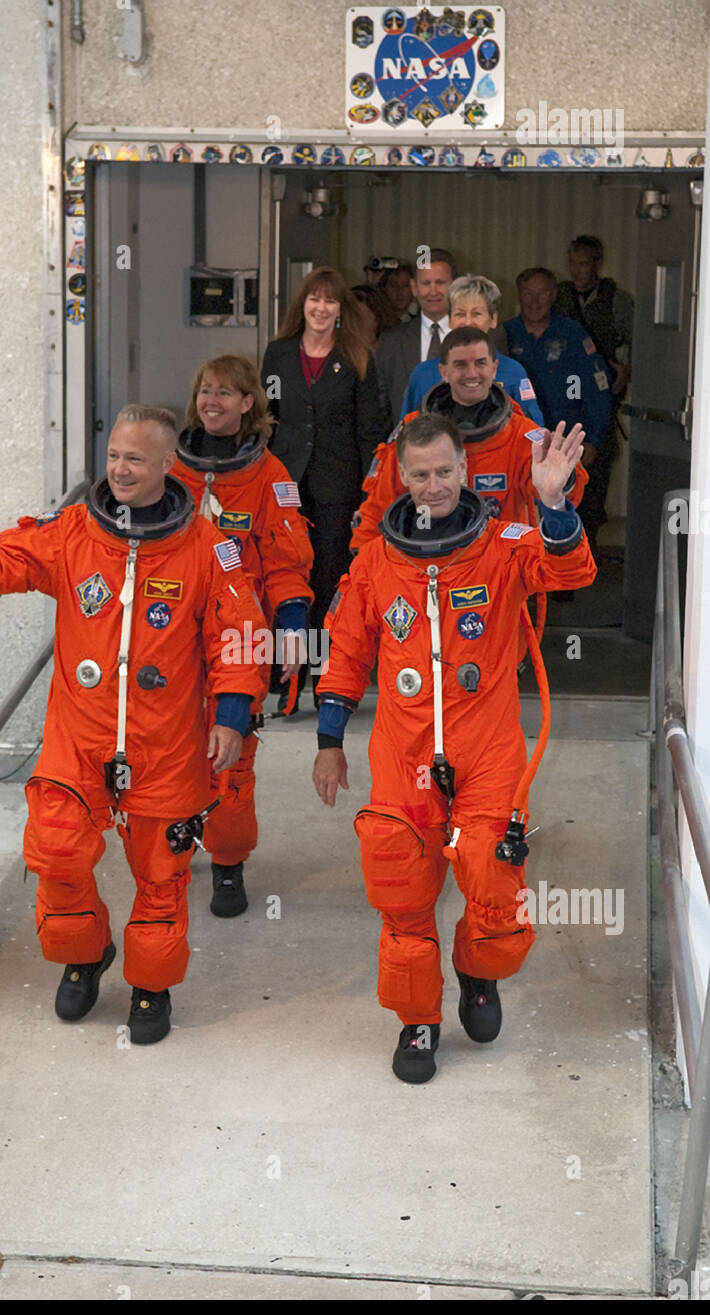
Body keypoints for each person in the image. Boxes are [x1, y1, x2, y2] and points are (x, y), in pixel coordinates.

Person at [0, 406, 264, 1044]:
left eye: (135, 459)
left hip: (167, 744)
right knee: (56, 852)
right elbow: (2, 563)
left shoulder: (212, 549)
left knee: (162, 875)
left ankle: (152, 988)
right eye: (114, 456)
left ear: (165, 466)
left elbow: (241, 637)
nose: (120, 469)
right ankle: (85, 952)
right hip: (81, 737)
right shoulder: (74, 532)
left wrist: (233, 717)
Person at [312, 412, 596, 1083]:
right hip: (403, 754)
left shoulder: (504, 546)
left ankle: (477, 972)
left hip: (487, 750)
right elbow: (349, 650)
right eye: (420, 474)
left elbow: (570, 571)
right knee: (401, 891)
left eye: (445, 471)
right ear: (401, 477)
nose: (433, 485)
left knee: (493, 879)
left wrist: (553, 502)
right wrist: (329, 740)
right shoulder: (377, 561)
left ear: (465, 471)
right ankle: (418, 1021)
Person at [170, 355, 314, 916]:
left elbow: (286, 563)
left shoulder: (272, 478)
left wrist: (295, 624)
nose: (213, 402)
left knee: (231, 758)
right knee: (170, 753)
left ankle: (227, 864)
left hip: (239, 632)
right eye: (206, 391)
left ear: (249, 403)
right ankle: (171, 851)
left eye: (226, 394)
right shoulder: (168, 465)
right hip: (172, 632)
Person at [261, 266, 383, 709]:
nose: (321, 307)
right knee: (288, 575)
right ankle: (286, 680)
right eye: (314, 298)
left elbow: (371, 431)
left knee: (330, 580)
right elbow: (265, 420)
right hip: (286, 484)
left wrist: (370, 494)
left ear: (340, 310)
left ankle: (325, 679)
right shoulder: (277, 354)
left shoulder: (357, 358)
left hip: (338, 485)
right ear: (303, 305)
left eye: (330, 300)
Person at [352, 327, 587, 551]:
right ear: (444, 372)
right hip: (425, 566)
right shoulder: (412, 432)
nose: (472, 373)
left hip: (499, 570)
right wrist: (362, 565)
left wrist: (564, 482)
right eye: (461, 365)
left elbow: (562, 499)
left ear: (494, 369)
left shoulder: (521, 436)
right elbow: (377, 509)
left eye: (480, 363)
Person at [505, 267, 613, 553]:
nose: (535, 300)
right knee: (523, 514)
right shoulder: (504, 335)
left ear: (553, 295)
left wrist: (595, 439)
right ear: (519, 295)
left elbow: (597, 390)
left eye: (542, 292)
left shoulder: (573, 334)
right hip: (521, 445)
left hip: (567, 443)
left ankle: (565, 579)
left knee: (570, 509)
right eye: (528, 292)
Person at [554, 236, 633, 548]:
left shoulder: (617, 300)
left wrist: (625, 369)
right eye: (573, 262)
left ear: (597, 264)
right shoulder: (559, 296)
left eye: (583, 263)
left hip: (599, 398)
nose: (577, 270)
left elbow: (636, 343)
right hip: (561, 397)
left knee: (596, 477)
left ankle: (589, 546)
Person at [401, 275, 544, 426]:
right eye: (460, 314)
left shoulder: (513, 372)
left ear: (493, 319)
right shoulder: (423, 373)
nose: (468, 322)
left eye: (476, 314)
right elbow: (405, 432)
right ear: (449, 320)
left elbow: (533, 432)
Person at [375, 248, 457, 429]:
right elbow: (379, 411)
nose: (433, 291)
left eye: (441, 283)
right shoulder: (390, 342)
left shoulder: (480, 338)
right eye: (426, 283)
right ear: (414, 287)